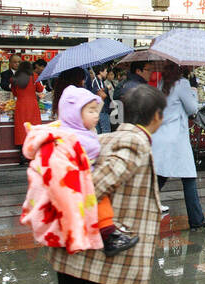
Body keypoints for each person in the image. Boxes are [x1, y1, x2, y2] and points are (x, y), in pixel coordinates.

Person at [47, 84, 168, 284]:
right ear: (156, 116)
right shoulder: (134, 141)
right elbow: (99, 182)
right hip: (94, 251)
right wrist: (77, 207)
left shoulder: (109, 136)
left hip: (73, 247)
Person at [22, 86, 137, 256]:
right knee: (100, 200)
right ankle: (108, 236)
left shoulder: (81, 132)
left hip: (79, 178)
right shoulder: (71, 136)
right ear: (74, 114)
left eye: (96, 110)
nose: (96, 115)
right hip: (72, 183)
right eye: (90, 111)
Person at [152, 61, 205, 229]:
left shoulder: (161, 84)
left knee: (161, 177)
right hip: (176, 139)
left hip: (160, 137)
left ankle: (139, 209)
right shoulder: (183, 84)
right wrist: (194, 90)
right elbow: (193, 108)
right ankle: (197, 220)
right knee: (189, 178)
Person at [11, 61, 44, 148]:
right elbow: (40, 90)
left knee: (21, 128)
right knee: (33, 127)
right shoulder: (34, 76)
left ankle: (22, 155)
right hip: (32, 105)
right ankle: (32, 151)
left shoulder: (14, 78)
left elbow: (14, 93)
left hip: (20, 105)